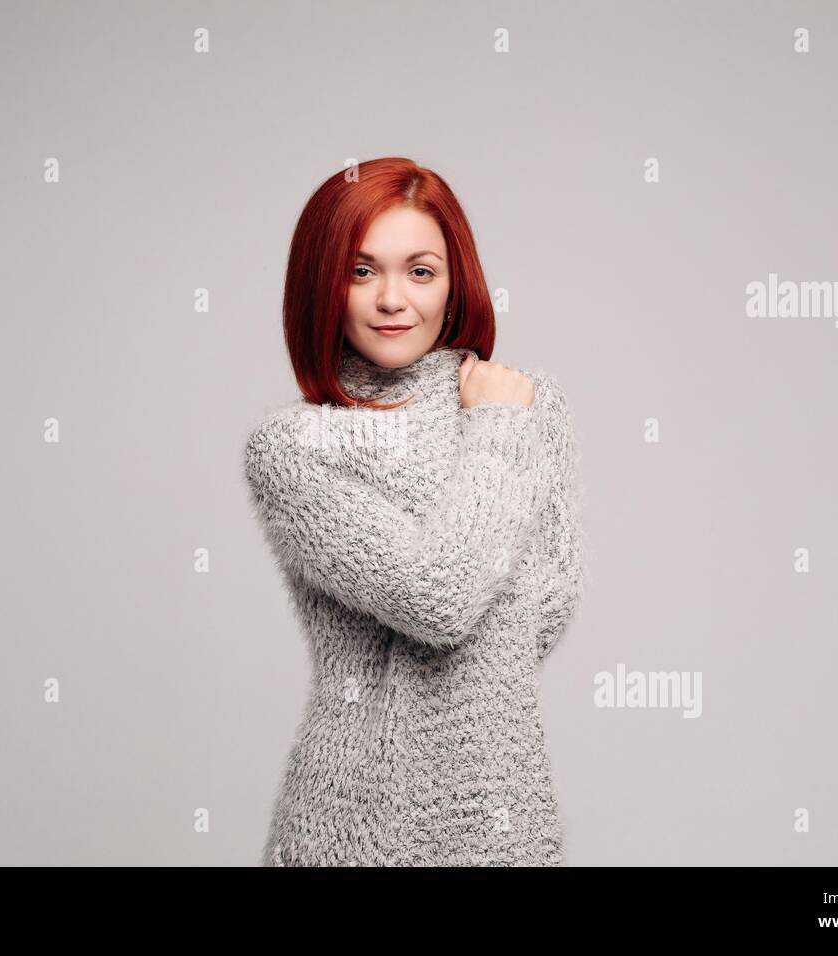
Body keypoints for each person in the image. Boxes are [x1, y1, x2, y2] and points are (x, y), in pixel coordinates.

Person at [242, 157, 586, 865]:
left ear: (455, 281)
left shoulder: (528, 404)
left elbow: (551, 603)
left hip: (505, 814)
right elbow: (441, 600)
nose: (392, 299)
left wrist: (447, 569)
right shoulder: (294, 447)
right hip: (353, 828)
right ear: (321, 283)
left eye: (420, 271)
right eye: (361, 271)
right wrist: (493, 435)